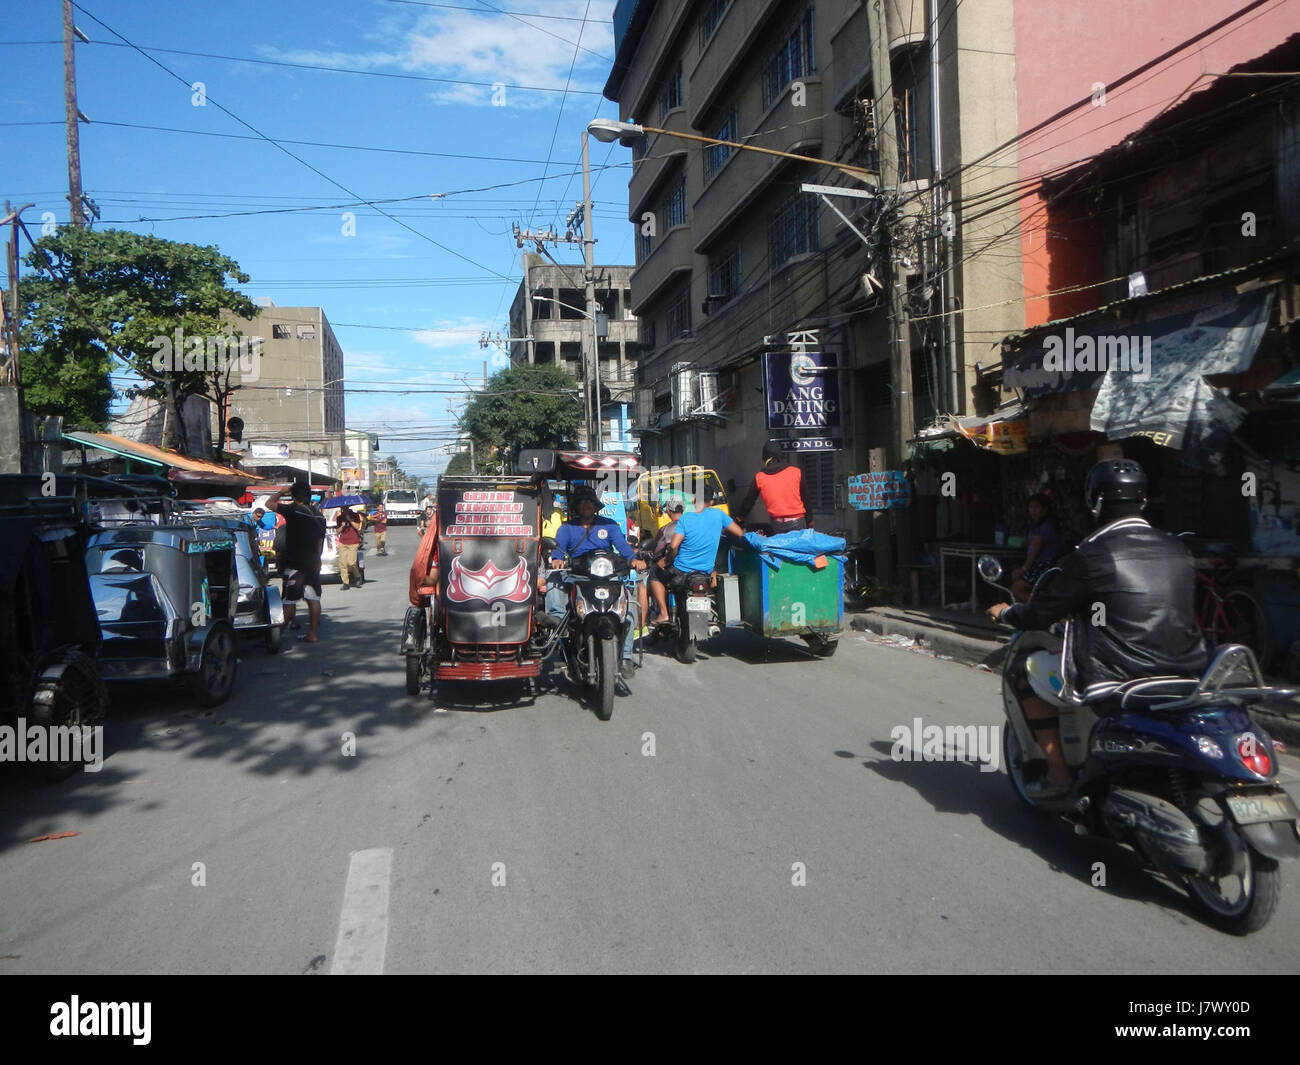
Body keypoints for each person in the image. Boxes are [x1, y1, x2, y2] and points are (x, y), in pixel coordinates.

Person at [985, 459, 1207, 799]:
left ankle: (1059, 776)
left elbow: (1040, 614)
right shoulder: (1177, 548)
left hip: (1119, 675)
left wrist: (1007, 614)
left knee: (1022, 672)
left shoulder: (1092, 555)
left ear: (1095, 502)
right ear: (1143, 501)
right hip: (1188, 672)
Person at [545, 484, 646, 679]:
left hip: (607, 574)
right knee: (552, 578)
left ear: (596, 505)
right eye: (582, 502)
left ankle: (625, 656)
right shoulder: (567, 528)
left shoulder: (608, 525)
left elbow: (623, 548)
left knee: (629, 608)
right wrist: (557, 560)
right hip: (577, 574)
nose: (586, 505)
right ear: (576, 506)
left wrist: (634, 560)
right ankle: (559, 627)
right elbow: (558, 551)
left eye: (589, 501)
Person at [651, 495, 745, 626]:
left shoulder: (683, 521)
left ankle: (663, 613)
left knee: (655, 574)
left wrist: (666, 560)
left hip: (682, 571)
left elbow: (672, 546)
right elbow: (740, 533)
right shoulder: (718, 515)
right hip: (706, 570)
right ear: (712, 502)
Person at [272, 482, 326, 643]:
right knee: (313, 599)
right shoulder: (319, 516)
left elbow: (269, 504)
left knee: (288, 602)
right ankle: (313, 634)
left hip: (296, 564)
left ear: (294, 496)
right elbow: (320, 543)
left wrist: (281, 492)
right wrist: (317, 560)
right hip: (313, 564)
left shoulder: (293, 510)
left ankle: (274, 637)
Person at [734, 440, 814, 532]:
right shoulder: (796, 472)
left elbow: (748, 502)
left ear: (765, 458)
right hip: (798, 524)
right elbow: (806, 500)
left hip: (777, 525)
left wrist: (739, 518)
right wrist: (810, 522)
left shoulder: (759, 477)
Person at [1010, 493, 1061, 603]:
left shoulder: (1045, 527)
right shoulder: (1037, 526)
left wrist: (1023, 569)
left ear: (1045, 509)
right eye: (1031, 507)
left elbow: (1034, 551)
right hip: (1038, 566)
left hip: (1043, 567)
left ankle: (1042, 608)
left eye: (1037, 507)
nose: (1033, 510)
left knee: (1017, 590)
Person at [645, 496, 686, 627]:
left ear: (668, 510)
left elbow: (657, 551)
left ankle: (663, 613)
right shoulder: (691, 524)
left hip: (675, 568)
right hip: (695, 568)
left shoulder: (666, 529)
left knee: (654, 574)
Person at [336, 506, 364, 589]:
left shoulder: (355, 515)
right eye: (342, 509)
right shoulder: (340, 518)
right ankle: (345, 583)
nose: (343, 510)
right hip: (343, 542)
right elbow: (338, 531)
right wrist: (342, 526)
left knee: (351, 562)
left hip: (353, 542)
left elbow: (358, 527)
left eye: (344, 509)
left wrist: (350, 519)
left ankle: (357, 576)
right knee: (343, 564)